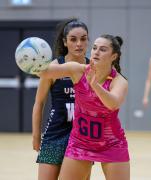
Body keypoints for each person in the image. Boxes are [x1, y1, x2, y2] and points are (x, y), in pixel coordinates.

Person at [39, 34, 130, 180]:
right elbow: (45, 72)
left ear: (113, 56)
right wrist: (33, 60)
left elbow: (112, 104)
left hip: (111, 143)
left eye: (103, 49)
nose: (96, 52)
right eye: (94, 48)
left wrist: (94, 85)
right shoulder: (78, 70)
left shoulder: (119, 81)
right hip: (80, 143)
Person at [32, 18, 90, 180]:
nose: (79, 43)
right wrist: (36, 135)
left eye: (83, 39)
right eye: (73, 39)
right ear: (65, 42)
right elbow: (39, 102)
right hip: (55, 134)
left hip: (83, 136)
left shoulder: (92, 68)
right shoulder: (54, 67)